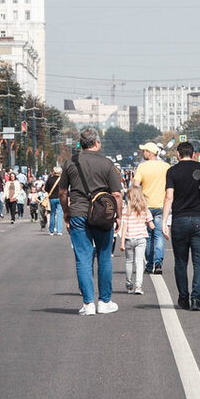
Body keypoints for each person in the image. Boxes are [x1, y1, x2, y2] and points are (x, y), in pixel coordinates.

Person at [59, 127, 125, 315]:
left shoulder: (71, 163)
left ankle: (88, 304)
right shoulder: (107, 164)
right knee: (104, 256)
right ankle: (104, 301)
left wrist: (66, 213)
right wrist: (118, 216)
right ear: (97, 143)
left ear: (81, 144)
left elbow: (63, 192)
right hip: (103, 215)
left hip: (78, 214)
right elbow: (117, 194)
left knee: (83, 257)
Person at [163, 141, 200, 310]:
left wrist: (164, 221)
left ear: (178, 155)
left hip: (179, 220)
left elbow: (169, 197)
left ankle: (183, 298)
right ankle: (196, 299)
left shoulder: (172, 171)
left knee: (180, 261)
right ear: (193, 154)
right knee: (199, 261)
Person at [133, 142, 170, 273]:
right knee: (159, 235)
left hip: (146, 207)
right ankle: (158, 264)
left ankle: (149, 265)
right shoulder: (166, 167)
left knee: (148, 236)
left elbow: (136, 186)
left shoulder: (142, 167)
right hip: (162, 205)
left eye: (144, 151)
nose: (143, 153)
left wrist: (135, 203)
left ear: (150, 152)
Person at [118, 184, 155, 296]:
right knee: (139, 262)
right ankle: (138, 286)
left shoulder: (126, 209)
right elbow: (152, 225)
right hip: (141, 238)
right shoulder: (144, 209)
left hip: (129, 238)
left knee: (129, 261)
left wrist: (122, 242)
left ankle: (129, 284)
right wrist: (151, 225)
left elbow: (124, 226)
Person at [44, 166, 65, 235]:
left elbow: (46, 188)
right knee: (59, 214)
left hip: (52, 198)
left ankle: (51, 230)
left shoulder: (50, 178)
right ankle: (59, 231)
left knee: (52, 213)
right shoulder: (62, 179)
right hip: (60, 198)